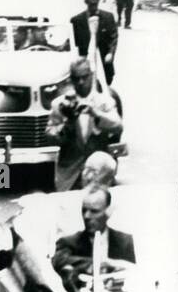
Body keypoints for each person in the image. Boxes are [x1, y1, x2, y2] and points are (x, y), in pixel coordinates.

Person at [46, 56, 124, 192]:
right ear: (71, 79)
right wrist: (67, 123)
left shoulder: (104, 102)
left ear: (91, 76)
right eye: (76, 78)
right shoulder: (60, 104)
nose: (81, 82)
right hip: (69, 176)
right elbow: (50, 137)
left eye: (84, 77)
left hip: (98, 173)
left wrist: (96, 113)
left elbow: (118, 126)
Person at [52, 186, 137, 292]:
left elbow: (133, 276)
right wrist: (95, 264)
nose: (86, 216)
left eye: (94, 211)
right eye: (84, 210)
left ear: (108, 212)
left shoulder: (125, 241)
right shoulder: (67, 242)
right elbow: (59, 260)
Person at [70, 0, 120, 84]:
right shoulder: (76, 21)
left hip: (104, 63)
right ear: (86, 2)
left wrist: (110, 53)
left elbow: (113, 37)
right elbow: (72, 42)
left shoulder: (108, 17)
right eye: (91, 3)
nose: (94, 6)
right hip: (84, 63)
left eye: (96, 3)